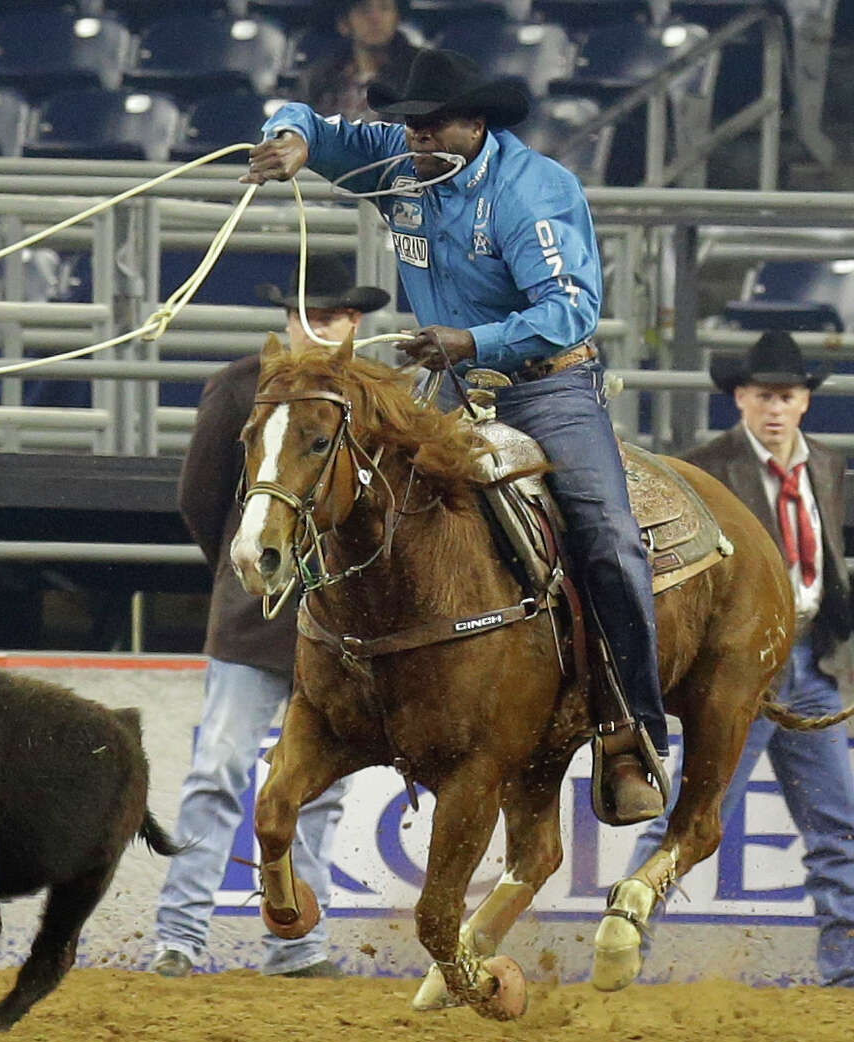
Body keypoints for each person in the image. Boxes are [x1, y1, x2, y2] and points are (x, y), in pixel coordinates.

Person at [241, 48, 668, 824]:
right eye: (409, 122)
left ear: (476, 124)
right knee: (368, 500)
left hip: (546, 386)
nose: (416, 135)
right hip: (446, 380)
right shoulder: (400, 159)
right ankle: (363, 681)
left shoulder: (533, 191)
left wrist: (474, 340)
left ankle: (630, 730)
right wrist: (289, 140)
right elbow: (317, 129)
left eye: (432, 123)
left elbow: (570, 309)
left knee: (607, 536)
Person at [149, 256, 391, 978]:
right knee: (221, 769)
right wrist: (245, 570)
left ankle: (288, 943)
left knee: (314, 786)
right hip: (267, 618)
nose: (321, 326)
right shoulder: (238, 388)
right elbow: (201, 498)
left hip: (333, 623)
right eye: (310, 314)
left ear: (354, 323)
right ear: (289, 319)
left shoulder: (368, 395)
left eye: (336, 315)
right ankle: (183, 937)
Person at [628, 330, 854, 986]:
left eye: (786, 396)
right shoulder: (705, 469)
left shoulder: (826, 465)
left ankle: (845, 972)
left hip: (809, 659)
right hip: (740, 666)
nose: (775, 408)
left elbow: (828, 562)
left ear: (804, 400)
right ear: (740, 399)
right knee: (695, 813)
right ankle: (628, 942)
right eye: (763, 396)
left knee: (837, 827)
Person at [296, 0, 420, 123]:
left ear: (397, 18)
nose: (375, 18)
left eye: (384, 8)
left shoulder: (419, 74)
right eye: (364, 10)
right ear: (344, 23)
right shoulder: (318, 78)